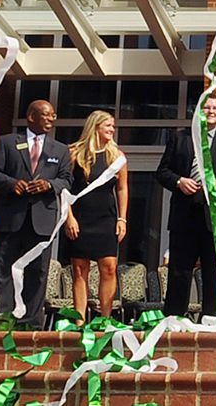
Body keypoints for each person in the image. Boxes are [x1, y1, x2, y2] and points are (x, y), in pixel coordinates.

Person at [0, 99, 72, 329]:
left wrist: (49, 185)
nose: (51, 119)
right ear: (31, 116)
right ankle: (2, 319)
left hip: (42, 220)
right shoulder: (8, 142)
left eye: (53, 115)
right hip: (10, 217)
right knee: (4, 269)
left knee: (38, 271)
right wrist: (12, 183)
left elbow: (66, 180)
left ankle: (31, 323)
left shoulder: (60, 150)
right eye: (46, 115)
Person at [154, 96, 216, 319]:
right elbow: (162, 172)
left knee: (214, 272)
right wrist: (179, 182)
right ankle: (174, 320)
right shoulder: (180, 138)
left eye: (215, 108)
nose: (211, 111)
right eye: (206, 107)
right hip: (185, 216)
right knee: (179, 272)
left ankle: (212, 319)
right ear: (198, 112)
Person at [65, 110, 130, 321]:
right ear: (95, 126)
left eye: (113, 126)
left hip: (106, 217)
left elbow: (122, 188)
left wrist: (122, 218)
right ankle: (79, 319)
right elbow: (64, 189)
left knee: (109, 267)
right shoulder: (73, 152)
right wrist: (69, 217)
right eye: (108, 126)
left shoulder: (117, 156)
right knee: (79, 269)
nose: (112, 130)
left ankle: (105, 318)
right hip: (80, 216)